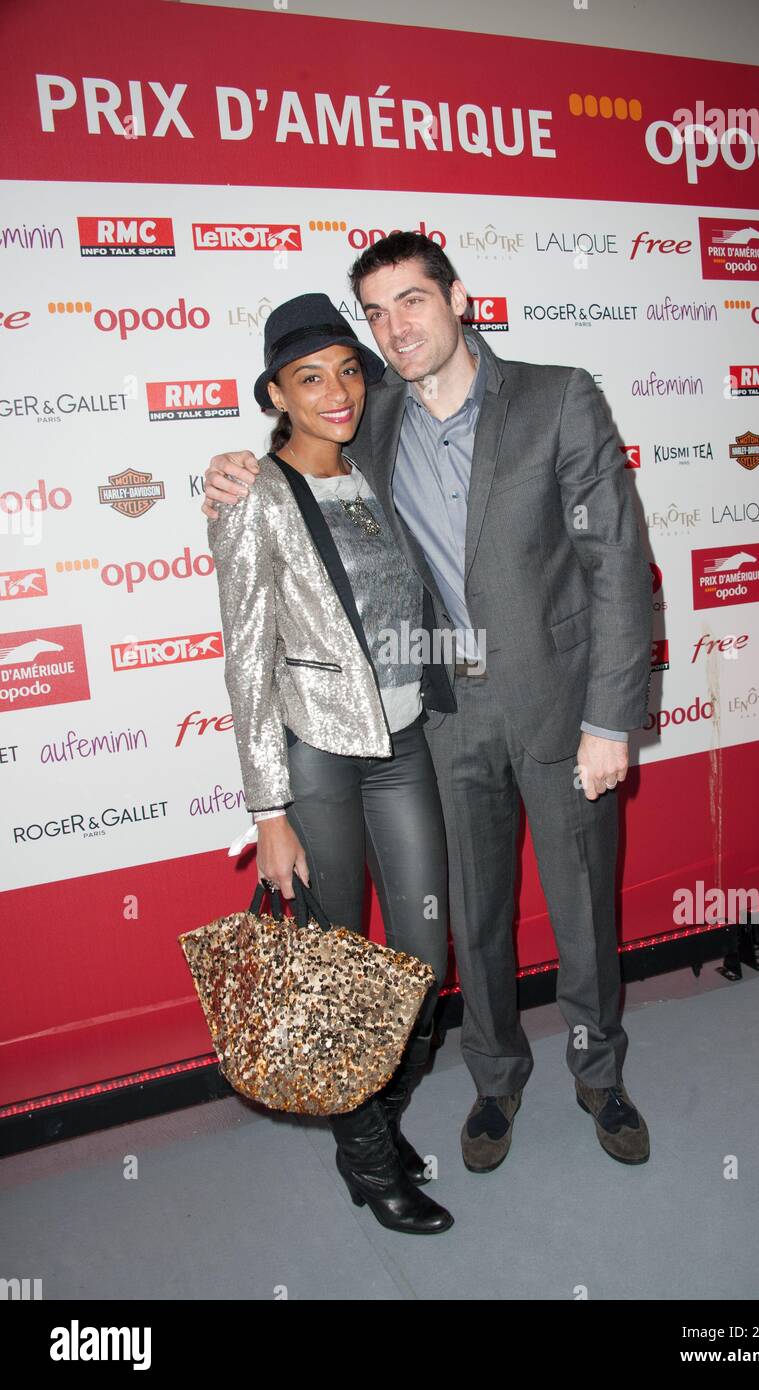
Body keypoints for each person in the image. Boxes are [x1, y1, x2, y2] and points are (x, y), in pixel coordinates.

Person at [203, 233, 654, 1177]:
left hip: (562, 705)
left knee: (580, 906)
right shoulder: (372, 417)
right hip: (442, 712)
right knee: (474, 918)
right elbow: (294, 465)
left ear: (457, 298)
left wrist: (610, 721)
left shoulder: (556, 394)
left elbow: (617, 564)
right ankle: (495, 1079)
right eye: (376, 311)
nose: (394, 328)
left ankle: (597, 1071)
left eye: (411, 300)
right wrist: (227, 473)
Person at [207, 292, 454, 1234]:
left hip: (401, 742)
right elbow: (244, 657)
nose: (338, 391)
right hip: (318, 759)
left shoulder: (379, 470)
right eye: (310, 378)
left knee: (423, 956)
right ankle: (367, 1158)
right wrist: (269, 811)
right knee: (340, 970)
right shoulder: (254, 495)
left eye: (349, 369)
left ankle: (372, 1112)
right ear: (276, 393)